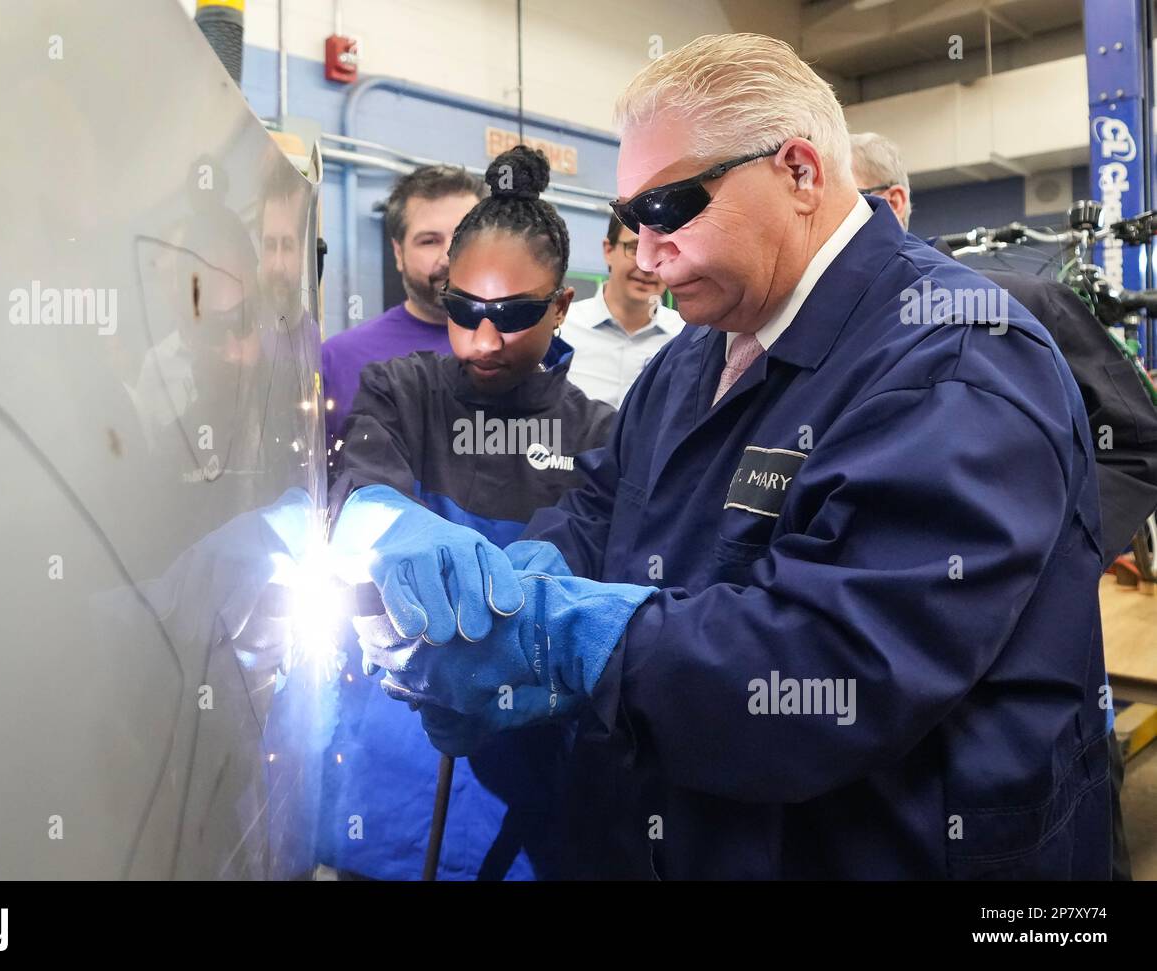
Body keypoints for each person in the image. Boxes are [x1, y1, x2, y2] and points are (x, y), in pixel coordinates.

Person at [333, 33, 1113, 879]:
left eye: (670, 210)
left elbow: (834, 669)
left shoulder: (956, 359)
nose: (645, 250)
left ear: (801, 172)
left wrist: (563, 643)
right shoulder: (700, 354)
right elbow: (604, 510)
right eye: (631, 220)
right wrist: (493, 600)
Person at [851, 128, 1157, 881]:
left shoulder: (1020, 303)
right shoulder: (834, 338)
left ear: (892, 203)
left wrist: (1058, 547)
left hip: (1036, 694)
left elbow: (1136, 441)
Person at [319, 146, 616, 880]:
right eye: (464, 311)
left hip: (531, 773)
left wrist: (533, 619)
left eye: (514, 316)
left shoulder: (598, 433)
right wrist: (384, 520)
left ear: (560, 305)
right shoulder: (400, 388)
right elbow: (360, 481)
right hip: (391, 768)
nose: (483, 341)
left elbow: (595, 558)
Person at [320, 165, 486, 449]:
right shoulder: (337, 361)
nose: (449, 256)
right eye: (429, 241)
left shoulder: (525, 352)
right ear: (398, 253)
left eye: (464, 238)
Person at [563, 214, 684, 407]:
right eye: (635, 249)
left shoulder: (685, 339)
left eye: (662, 252)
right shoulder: (563, 328)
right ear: (608, 250)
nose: (646, 266)